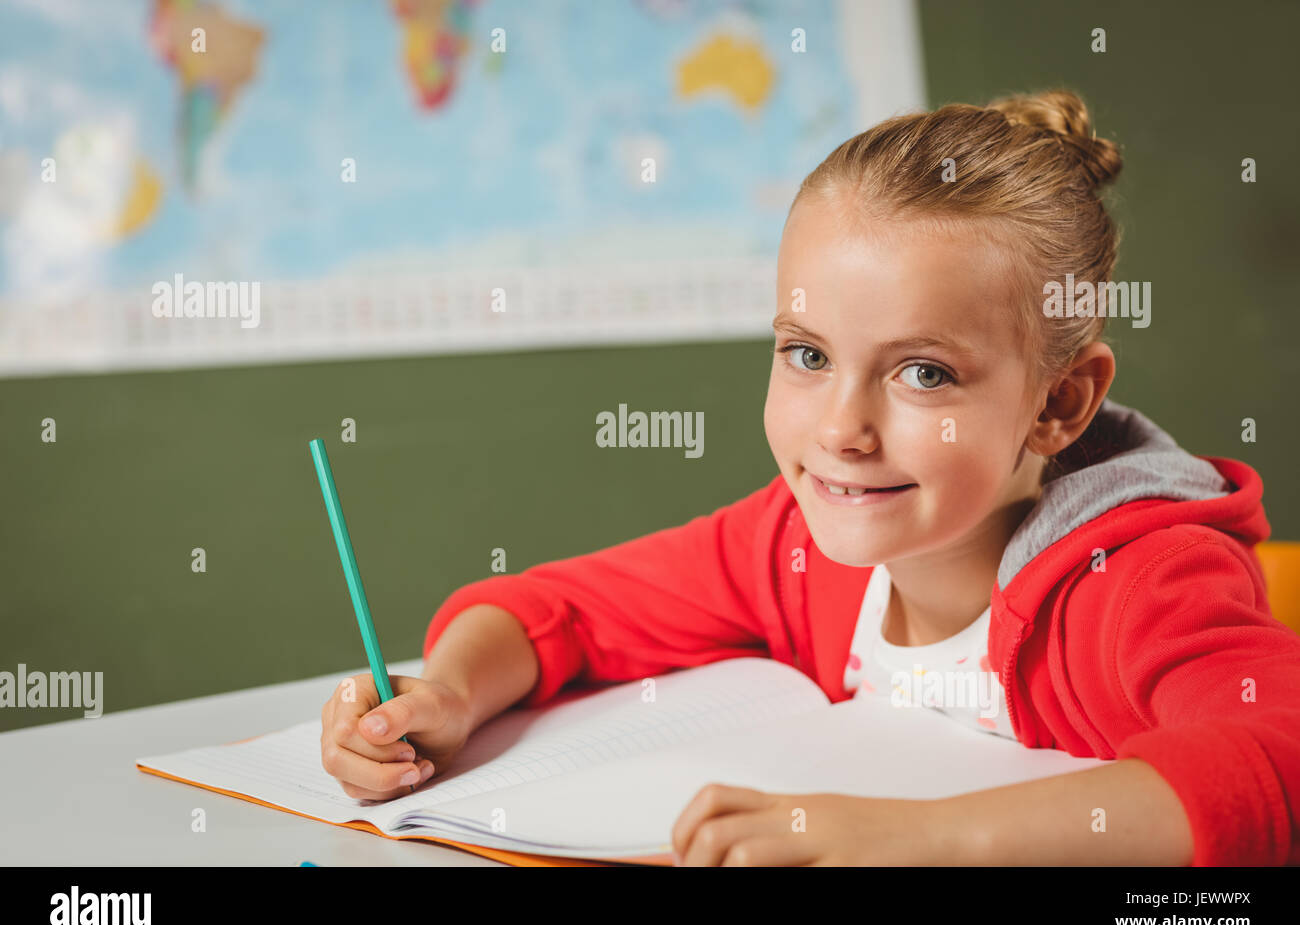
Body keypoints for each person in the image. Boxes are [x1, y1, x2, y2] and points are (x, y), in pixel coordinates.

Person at [320, 89, 1300, 866]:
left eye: (924, 372)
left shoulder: (1135, 583)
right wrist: (447, 690)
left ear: (1059, 404)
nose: (840, 429)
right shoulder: (794, 542)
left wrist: (920, 837)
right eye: (806, 354)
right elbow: (562, 607)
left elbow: (1276, 766)